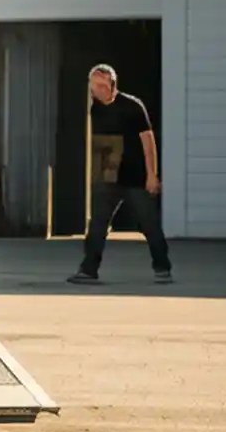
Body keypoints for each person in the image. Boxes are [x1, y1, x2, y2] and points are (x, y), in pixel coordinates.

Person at [67, 64, 172, 285]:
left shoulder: (132, 106)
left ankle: (162, 267)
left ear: (113, 85)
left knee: (149, 223)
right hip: (107, 176)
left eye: (102, 86)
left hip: (135, 175)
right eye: (94, 86)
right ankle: (88, 270)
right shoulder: (90, 109)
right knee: (97, 224)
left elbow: (148, 142)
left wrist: (152, 175)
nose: (98, 90)